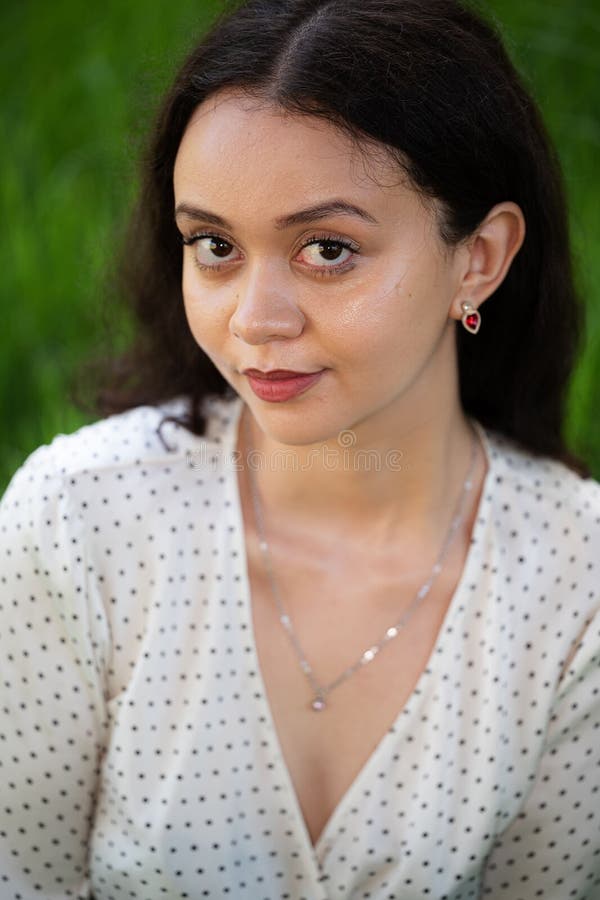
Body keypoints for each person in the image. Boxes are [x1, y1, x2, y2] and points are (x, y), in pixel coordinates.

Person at [1, 0, 599, 897]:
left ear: (478, 258)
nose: (255, 320)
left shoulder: (577, 581)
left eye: (326, 248)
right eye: (214, 245)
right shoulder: (80, 523)